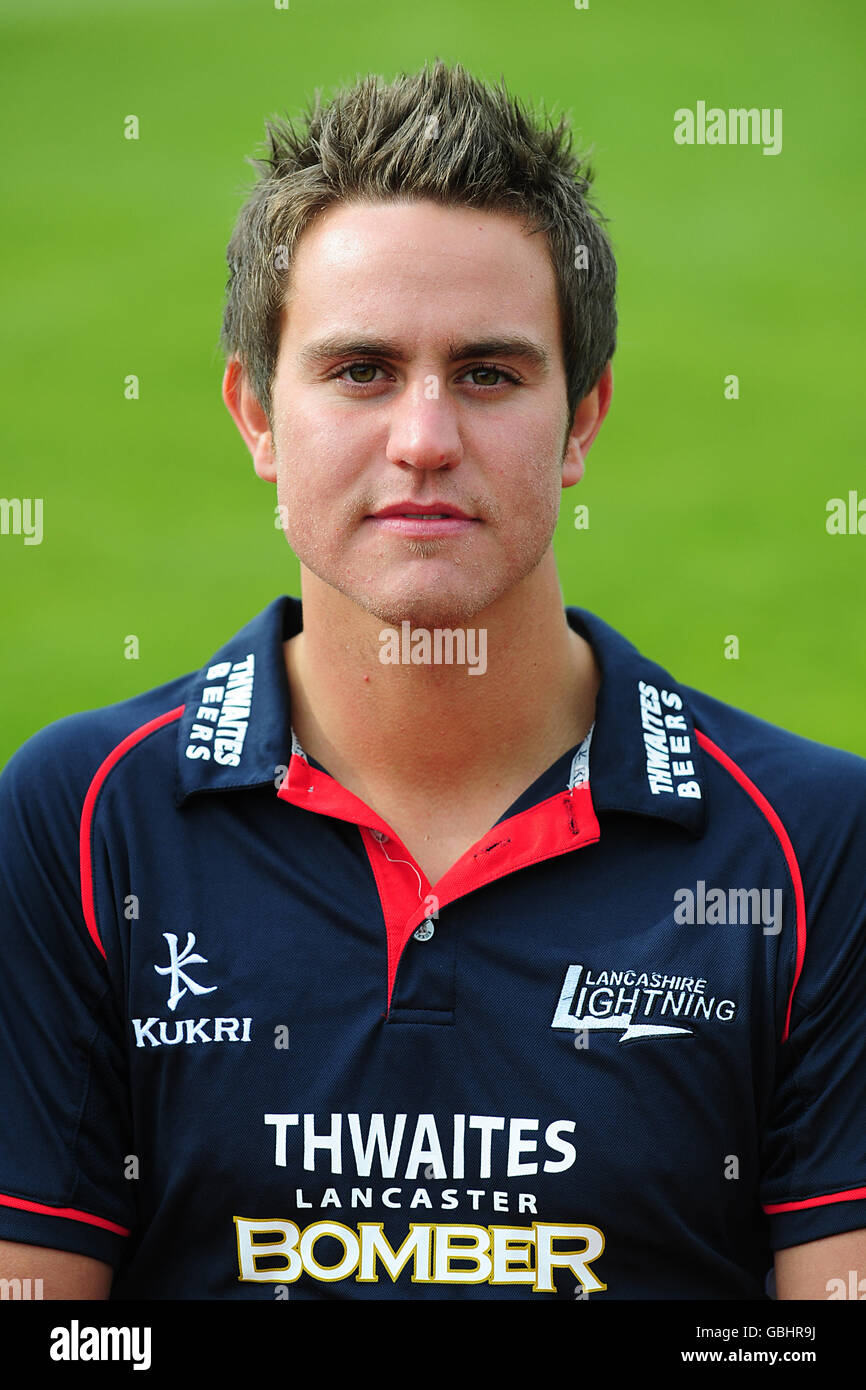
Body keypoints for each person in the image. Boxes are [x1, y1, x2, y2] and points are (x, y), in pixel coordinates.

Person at [1, 58, 864, 1302]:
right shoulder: (80, 823)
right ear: (255, 414)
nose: (422, 440)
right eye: (360, 371)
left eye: (487, 374)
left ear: (580, 421)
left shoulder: (809, 846)